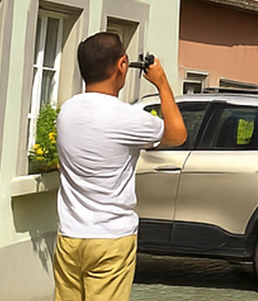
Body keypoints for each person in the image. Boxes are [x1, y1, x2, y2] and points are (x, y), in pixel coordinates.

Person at [52, 32, 186, 301]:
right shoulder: (128, 118)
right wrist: (162, 84)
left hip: (69, 234)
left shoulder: (66, 112)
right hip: (111, 237)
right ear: (122, 64)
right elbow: (177, 134)